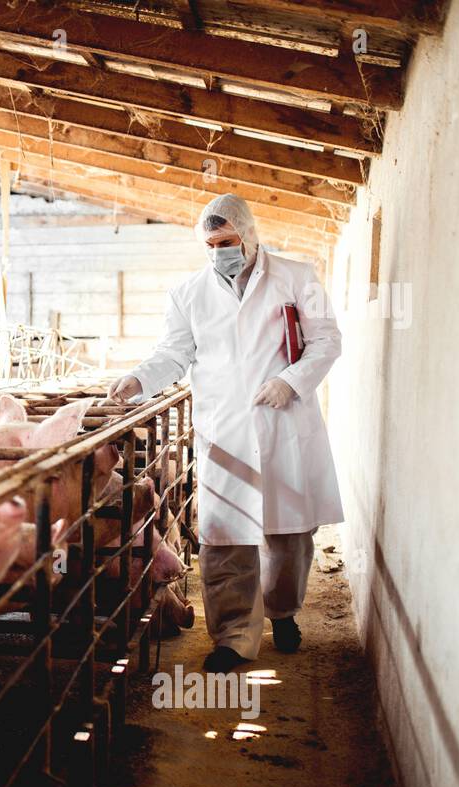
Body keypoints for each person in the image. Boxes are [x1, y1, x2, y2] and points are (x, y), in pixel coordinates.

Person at [107, 194, 344, 672]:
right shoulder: (189, 293)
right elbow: (173, 354)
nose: (220, 252)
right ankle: (233, 637)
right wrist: (138, 379)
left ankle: (282, 611)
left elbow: (326, 340)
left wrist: (290, 381)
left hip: (283, 423)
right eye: (211, 244)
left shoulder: (298, 277)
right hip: (224, 432)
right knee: (224, 539)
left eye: (228, 241)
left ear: (250, 235)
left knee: (289, 537)